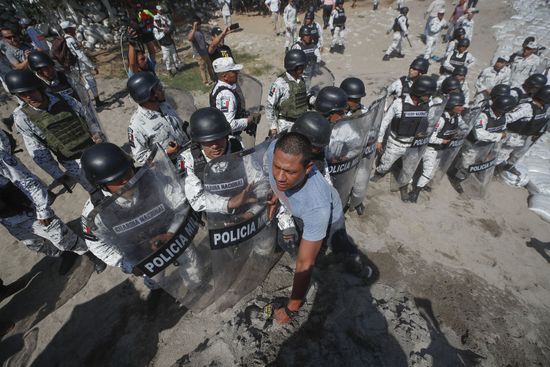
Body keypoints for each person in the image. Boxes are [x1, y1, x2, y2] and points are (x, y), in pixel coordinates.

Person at [267, 132, 372, 324]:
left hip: (330, 216)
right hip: (299, 210)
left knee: (338, 246)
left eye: (289, 172)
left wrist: (291, 308)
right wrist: (276, 195)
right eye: (276, 167)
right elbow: (276, 179)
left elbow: (304, 263)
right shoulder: (274, 150)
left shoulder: (318, 207)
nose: (280, 177)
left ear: (308, 168)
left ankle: (354, 266)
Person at [80, 142, 202, 297]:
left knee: (192, 264)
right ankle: (157, 291)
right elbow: (97, 245)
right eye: (116, 180)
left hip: (171, 236)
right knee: (155, 278)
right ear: (101, 185)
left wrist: (172, 233)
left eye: (127, 173)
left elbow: (180, 205)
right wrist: (127, 264)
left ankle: (197, 288)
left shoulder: (155, 179)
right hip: (140, 254)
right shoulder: (94, 214)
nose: (126, 181)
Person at [1, 129, 87, 275]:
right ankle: (64, 255)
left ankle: (90, 254)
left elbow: (27, 182)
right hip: (6, 218)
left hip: (24, 210)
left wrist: (42, 210)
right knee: (33, 244)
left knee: (60, 235)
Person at [6, 69, 104, 193]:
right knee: (95, 191)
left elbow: (90, 119)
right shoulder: (22, 117)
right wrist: (58, 174)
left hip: (94, 149)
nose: (28, 97)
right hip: (72, 162)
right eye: (22, 94)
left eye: (30, 91)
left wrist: (98, 137)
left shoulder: (64, 99)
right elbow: (37, 150)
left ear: (39, 87)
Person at [371, 76, 437, 202]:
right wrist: (379, 141)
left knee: (409, 168)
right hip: (395, 142)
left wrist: (424, 134)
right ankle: (379, 173)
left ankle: (403, 186)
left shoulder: (429, 105)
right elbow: (384, 123)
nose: (429, 97)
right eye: (427, 95)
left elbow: (431, 123)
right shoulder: (399, 104)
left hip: (413, 144)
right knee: (386, 163)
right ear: (419, 93)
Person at [180, 107, 249, 212]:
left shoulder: (236, 147)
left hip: (245, 204)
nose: (215, 146)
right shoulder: (188, 159)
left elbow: (255, 175)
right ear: (199, 141)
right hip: (214, 215)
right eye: (208, 141)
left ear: (226, 136)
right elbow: (196, 199)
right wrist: (228, 203)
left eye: (218, 139)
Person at [449, 95, 517, 193]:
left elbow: (502, 131)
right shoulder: (483, 116)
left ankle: (460, 174)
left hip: (487, 146)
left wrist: (494, 148)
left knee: (477, 163)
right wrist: (498, 136)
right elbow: (479, 134)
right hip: (474, 145)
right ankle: (457, 179)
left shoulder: (503, 118)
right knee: (467, 163)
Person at [412, 92, 466, 200]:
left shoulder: (456, 117)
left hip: (440, 151)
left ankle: (422, 185)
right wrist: (443, 141)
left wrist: (462, 131)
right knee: (427, 170)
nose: (462, 108)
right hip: (430, 149)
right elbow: (430, 137)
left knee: (432, 172)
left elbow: (464, 126)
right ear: (452, 105)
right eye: (459, 105)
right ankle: (415, 192)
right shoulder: (441, 119)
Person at [127, 72, 190, 165]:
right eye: (158, 88)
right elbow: (140, 157)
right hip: (171, 167)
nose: (162, 90)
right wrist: (166, 153)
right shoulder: (137, 126)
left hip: (188, 154)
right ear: (148, 95)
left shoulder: (166, 105)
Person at [499, 85, 550, 174]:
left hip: (527, 137)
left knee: (518, 155)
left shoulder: (543, 108)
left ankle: (509, 166)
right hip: (514, 136)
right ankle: (490, 170)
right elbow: (508, 118)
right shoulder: (527, 107)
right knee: (501, 154)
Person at [340, 77, 372, 214]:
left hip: (358, 153)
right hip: (341, 155)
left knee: (360, 182)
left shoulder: (364, 112)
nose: (358, 102)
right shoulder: (337, 112)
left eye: (359, 99)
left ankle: (356, 201)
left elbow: (370, 130)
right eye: (355, 99)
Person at [209, 57, 261, 140]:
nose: (238, 73)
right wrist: (248, 120)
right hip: (230, 139)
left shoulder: (219, 87)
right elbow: (229, 124)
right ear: (225, 76)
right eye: (234, 72)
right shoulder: (226, 95)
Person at [60, 21, 105, 108]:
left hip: (74, 65)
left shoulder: (65, 38)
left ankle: (85, 99)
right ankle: (97, 101)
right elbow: (80, 55)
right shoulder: (71, 40)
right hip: (80, 65)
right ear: (68, 29)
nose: (75, 29)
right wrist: (93, 66)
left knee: (84, 83)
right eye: (73, 28)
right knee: (91, 81)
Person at [266, 49, 308, 136]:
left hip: (301, 122)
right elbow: (270, 105)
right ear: (293, 67)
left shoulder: (302, 80)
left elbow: (303, 97)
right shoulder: (280, 83)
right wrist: (273, 127)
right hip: (285, 125)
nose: (303, 69)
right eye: (301, 67)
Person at [153, 5, 183, 76]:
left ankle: (177, 68)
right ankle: (169, 71)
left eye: (159, 21)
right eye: (157, 21)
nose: (158, 22)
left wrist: (168, 27)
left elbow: (169, 24)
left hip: (170, 41)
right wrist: (163, 32)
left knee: (174, 56)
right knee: (167, 59)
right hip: (164, 45)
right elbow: (157, 37)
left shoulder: (164, 20)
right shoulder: (155, 29)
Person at [188, 16, 214, 86]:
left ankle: (212, 78)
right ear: (192, 25)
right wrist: (194, 28)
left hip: (205, 52)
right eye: (196, 24)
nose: (198, 26)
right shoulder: (192, 32)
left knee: (209, 65)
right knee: (203, 68)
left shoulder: (200, 31)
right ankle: (205, 82)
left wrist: (207, 44)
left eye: (199, 24)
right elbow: (189, 39)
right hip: (199, 55)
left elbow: (201, 41)